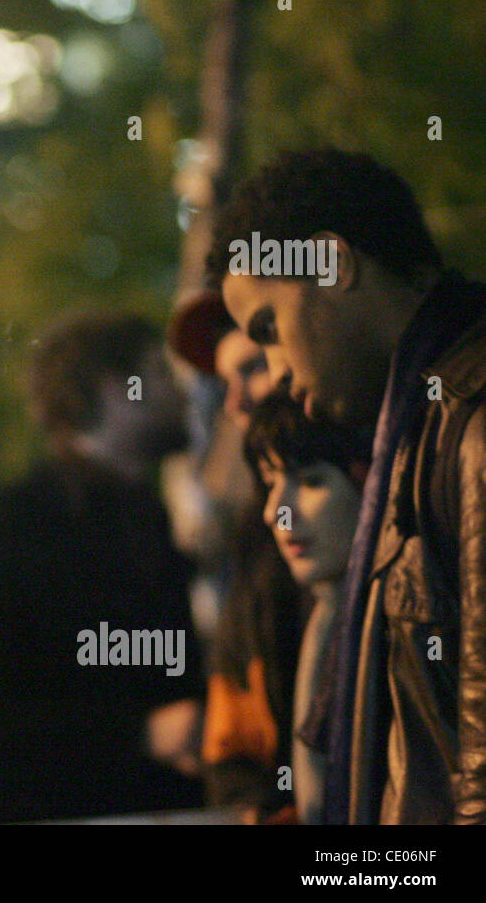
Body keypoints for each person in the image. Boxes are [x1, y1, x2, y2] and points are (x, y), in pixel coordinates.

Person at [210, 147, 486, 824]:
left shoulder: (469, 419)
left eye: (269, 329)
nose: (272, 371)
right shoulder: (423, 428)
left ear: (331, 266)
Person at [0, 309, 204, 822]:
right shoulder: (4, 527)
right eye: (161, 372)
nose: (182, 391)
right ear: (114, 388)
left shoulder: (156, 518)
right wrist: (140, 733)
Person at [170, 290, 302, 820]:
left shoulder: (357, 506)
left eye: (252, 368)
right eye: (223, 382)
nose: (234, 403)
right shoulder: (256, 523)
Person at [243, 393, 369, 823]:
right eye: (270, 480)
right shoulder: (321, 614)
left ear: (371, 479)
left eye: (312, 480)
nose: (275, 512)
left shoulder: (399, 624)